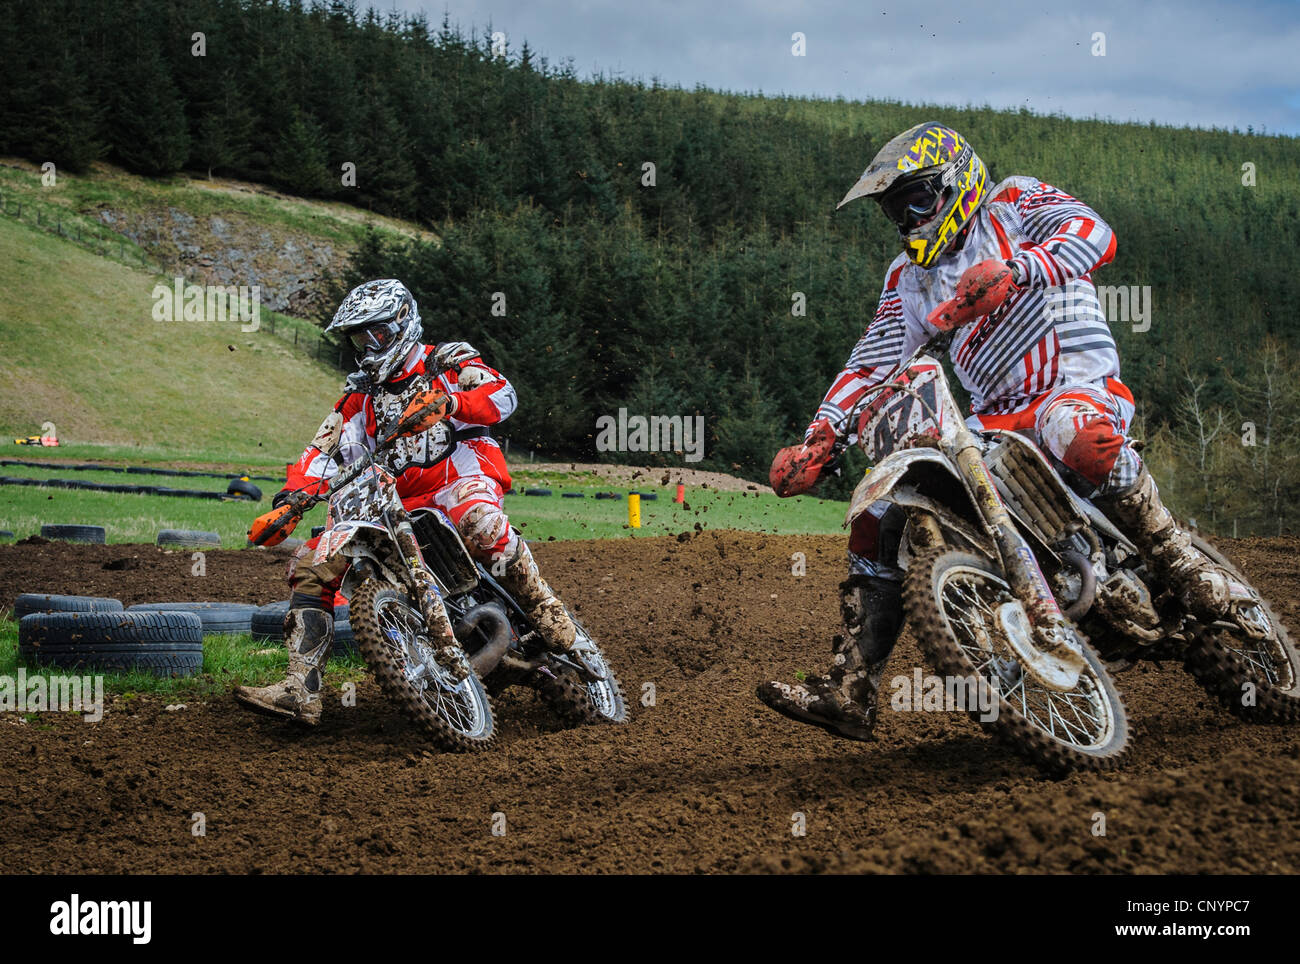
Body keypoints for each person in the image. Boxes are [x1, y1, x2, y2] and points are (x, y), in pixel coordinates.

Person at [757, 121, 1235, 741]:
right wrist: (821, 436)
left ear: (955, 182)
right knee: (882, 512)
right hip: (993, 421)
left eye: (917, 202)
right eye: (896, 212)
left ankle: (1176, 557)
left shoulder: (1012, 203)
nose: (908, 223)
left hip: (1075, 387)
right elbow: (874, 360)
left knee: (1075, 433)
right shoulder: (909, 278)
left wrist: (1018, 269)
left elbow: (1094, 233)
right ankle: (851, 689)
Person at [236, 279, 596, 725]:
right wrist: (289, 502)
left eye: (376, 334)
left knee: (480, 521)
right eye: (358, 338)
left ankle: (543, 606)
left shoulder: (446, 361)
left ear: (402, 323)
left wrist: (452, 402)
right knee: (313, 563)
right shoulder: (356, 397)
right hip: (390, 503)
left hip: (458, 481)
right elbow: (322, 454)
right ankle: (300, 689)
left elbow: (502, 396)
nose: (368, 347)